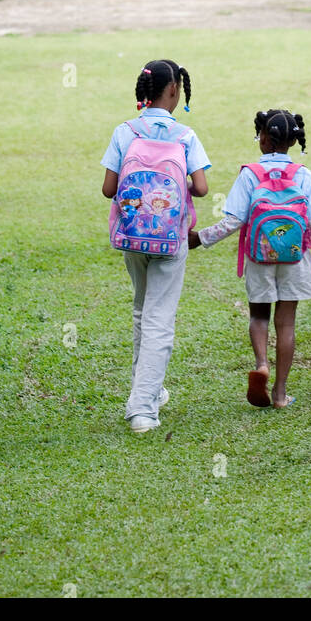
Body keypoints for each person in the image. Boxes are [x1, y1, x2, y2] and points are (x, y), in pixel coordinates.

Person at [190, 109, 311, 410]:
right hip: (295, 258)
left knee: (258, 316)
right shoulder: (303, 174)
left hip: (260, 255)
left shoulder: (250, 174)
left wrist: (200, 238)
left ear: (264, 139)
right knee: (287, 324)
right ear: (293, 142)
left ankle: (261, 363)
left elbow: (232, 221)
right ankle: (281, 394)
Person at [102, 60, 210, 433]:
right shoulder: (185, 135)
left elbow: (108, 188)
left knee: (141, 310)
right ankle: (143, 407)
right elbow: (201, 187)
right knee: (160, 318)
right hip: (170, 237)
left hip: (132, 236)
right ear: (173, 91)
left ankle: (147, 389)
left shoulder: (125, 131)